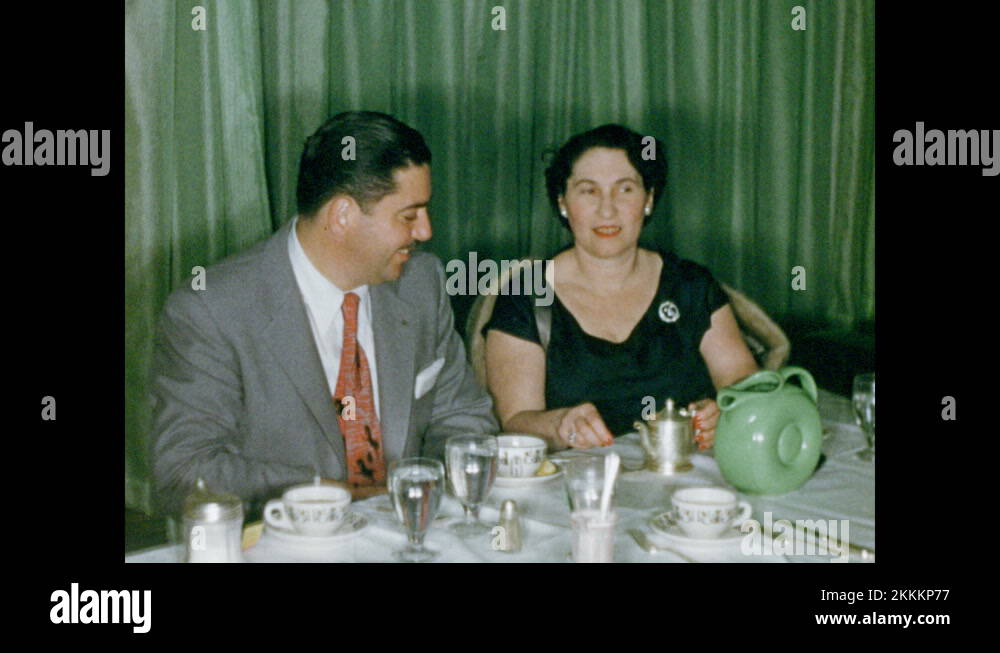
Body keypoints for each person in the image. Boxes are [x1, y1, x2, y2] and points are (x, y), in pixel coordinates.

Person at [150, 111, 498, 517]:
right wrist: (321, 494)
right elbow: (183, 470)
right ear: (342, 215)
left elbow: (465, 420)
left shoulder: (421, 283)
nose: (425, 231)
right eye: (409, 215)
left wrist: (416, 498)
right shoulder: (210, 310)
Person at [483, 124, 758, 452]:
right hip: (577, 490)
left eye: (625, 189)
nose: (607, 208)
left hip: (687, 483)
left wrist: (724, 413)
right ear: (562, 202)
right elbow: (515, 421)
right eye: (588, 190)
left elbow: (746, 388)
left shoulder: (690, 285)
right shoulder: (524, 297)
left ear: (649, 199)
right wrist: (560, 425)